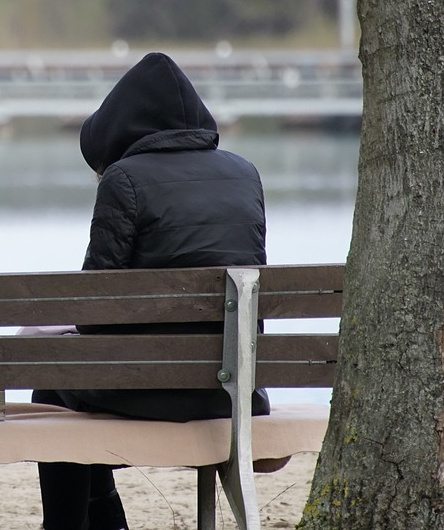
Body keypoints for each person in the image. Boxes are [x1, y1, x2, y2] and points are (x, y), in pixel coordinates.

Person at [34, 52, 270, 530]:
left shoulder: (125, 179)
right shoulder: (245, 173)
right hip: (231, 392)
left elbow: (95, 312)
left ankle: (72, 525)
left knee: (53, 386)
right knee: (79, 376)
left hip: (148, 390)